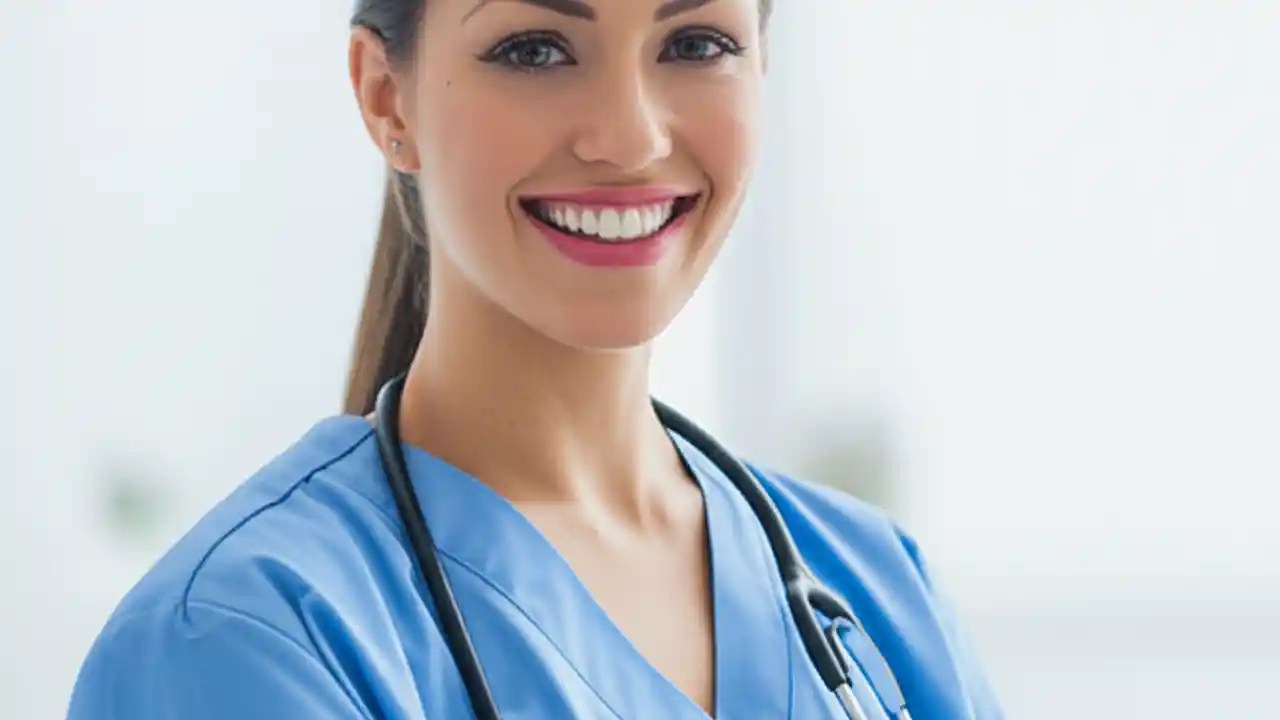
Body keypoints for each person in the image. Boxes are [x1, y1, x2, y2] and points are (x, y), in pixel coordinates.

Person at [68, 0, 1004, 717]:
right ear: (384, 95)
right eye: (535, 50)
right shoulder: (247, 637)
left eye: (696, 44)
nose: (632, 136)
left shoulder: (875, 587)